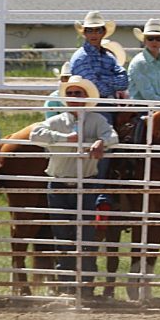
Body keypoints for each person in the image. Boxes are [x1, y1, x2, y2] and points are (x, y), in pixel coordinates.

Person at [29, 75, 119, 296]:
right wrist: (65, 138)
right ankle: (67, 286)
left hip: (85, 184)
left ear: (86, 97)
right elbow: (35, 134)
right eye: (70, 94)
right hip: (59, 184)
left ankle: (85, 288)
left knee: (86, 236)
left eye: (77, 93)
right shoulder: (58, 120)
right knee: (62, 237)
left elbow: (112, 136)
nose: (73, 97)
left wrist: (101, 141)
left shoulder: (96, 120)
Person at [69, 11, 129, 100]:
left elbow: (124, 82)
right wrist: (112, 83)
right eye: (89, 30)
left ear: (103, 33)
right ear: (84, 33)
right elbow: (97, 90)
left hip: (108, 104)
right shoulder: (81, 58)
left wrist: (101, 78)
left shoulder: (109, 57)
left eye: (98, 30)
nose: (94, 34)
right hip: (88, 107)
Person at [128, 18, 160, 102]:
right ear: (144, 41)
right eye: (150, 38)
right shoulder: (139, 63)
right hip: (142, 107)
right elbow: (148, 95)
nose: (154, 42)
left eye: (158, 39)